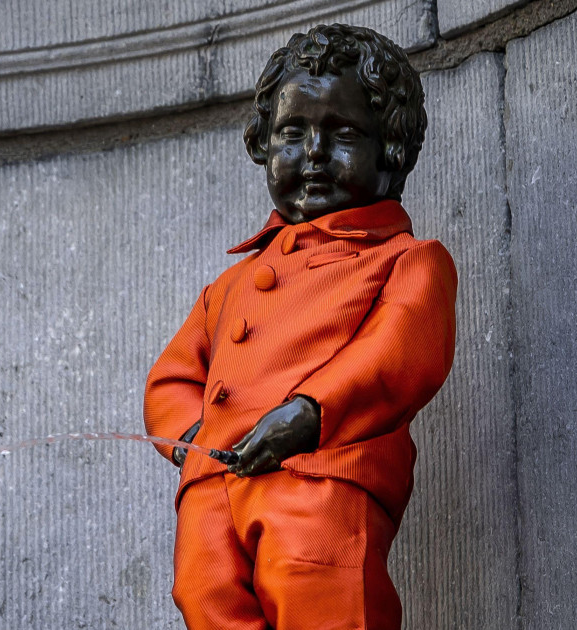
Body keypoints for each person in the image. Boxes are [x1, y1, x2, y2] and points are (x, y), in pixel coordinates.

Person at [143, 24, 457, 630]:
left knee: (323, 602)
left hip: (323, 483)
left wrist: (310, 413)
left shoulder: (407, 261)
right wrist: (192, 437)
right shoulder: (232, 285)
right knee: (205, 599)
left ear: (389, 148)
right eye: (292, 132)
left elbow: (398, 357)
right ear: (263, 144)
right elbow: (173, 375)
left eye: (342, 134)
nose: (312, 153)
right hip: (216, 483)